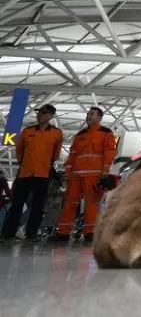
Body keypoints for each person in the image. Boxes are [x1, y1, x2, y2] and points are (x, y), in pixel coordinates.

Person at [52, 107, 116, 242]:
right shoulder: (80, 135)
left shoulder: (106, 133)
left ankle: (90, 233)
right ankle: (63, 232)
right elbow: (73, 154)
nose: (88, 116)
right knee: (70, 203)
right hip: (75, 175)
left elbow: (109, 152)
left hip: (94, 175)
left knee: (91, 203)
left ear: (99, 117)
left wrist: (105, 171)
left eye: (91, 114)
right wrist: (68, 172)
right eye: (88, 114)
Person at [0, 104, 62, 242]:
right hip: (25, 174)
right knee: (16, 204)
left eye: (43, 113)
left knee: (38, 206)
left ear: (50, 116)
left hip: (43, 175)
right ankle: (8, 233)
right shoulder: (27, 131)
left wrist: (47, 166)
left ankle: (31, 233)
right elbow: (19, 150)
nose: (39, 115)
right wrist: (25, 163)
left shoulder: (57, 133)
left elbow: (56, 154)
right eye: (39, 112)